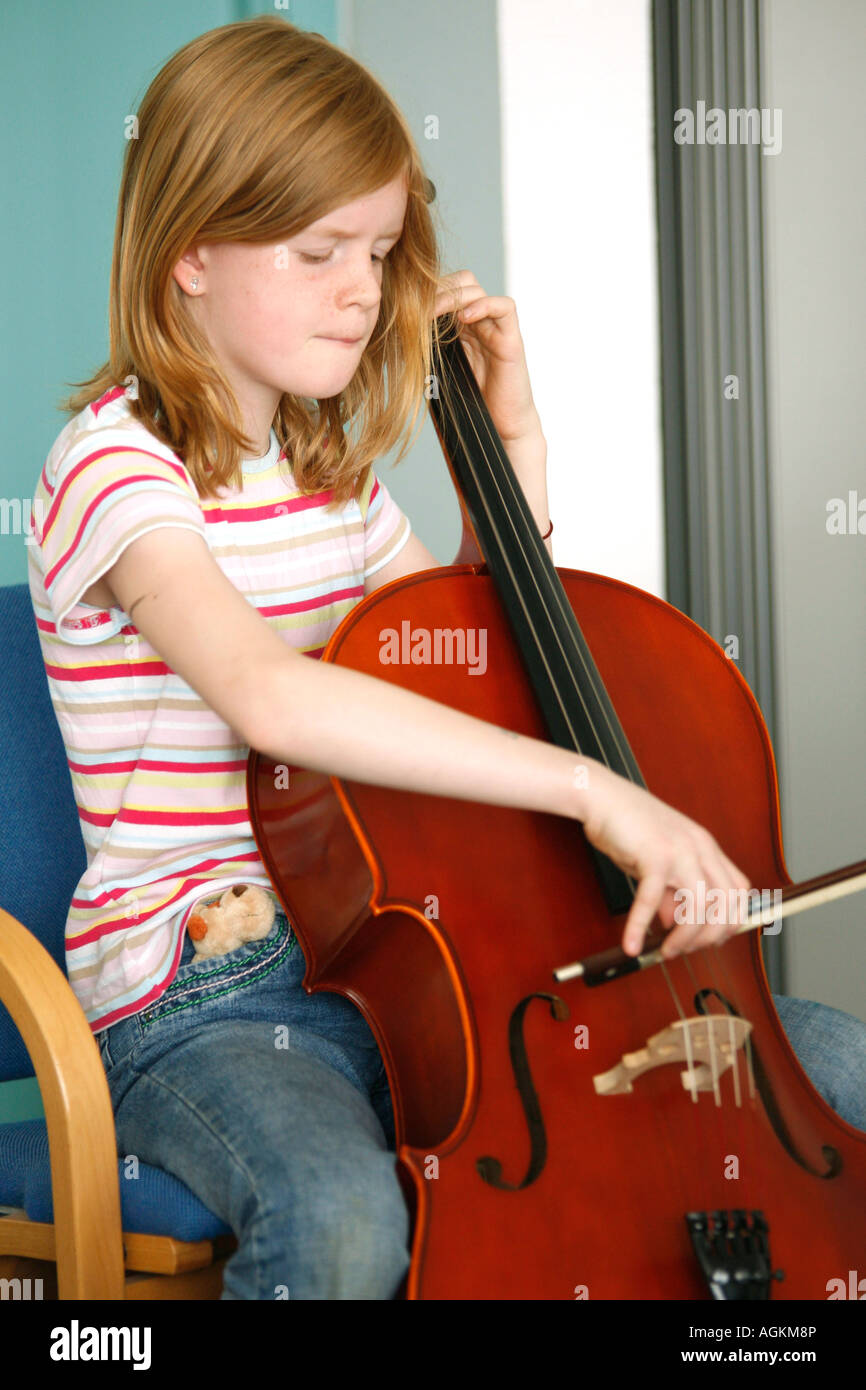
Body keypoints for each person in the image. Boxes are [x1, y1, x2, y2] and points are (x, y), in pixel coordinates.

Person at [27, 16, 866, 1300]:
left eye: (374, 250)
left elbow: (461, 658)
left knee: (831, 1068)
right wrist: (594, 789)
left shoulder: (331, 477)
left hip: (418, 961)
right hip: (206, 999)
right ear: (187, 252)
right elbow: (271, 694)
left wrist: (511, 438)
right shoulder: (112, 466)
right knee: (342, 1218)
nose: (363, 290)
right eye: (315, 253)